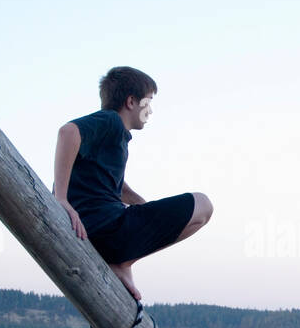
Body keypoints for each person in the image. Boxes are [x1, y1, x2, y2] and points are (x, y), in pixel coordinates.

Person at [52, 65, 213, 301]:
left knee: (185, 215)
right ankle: (124, 261)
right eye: (147, 103)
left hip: (100, 231)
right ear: (130, 102)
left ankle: (124, 261)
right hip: (107, 228)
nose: (150, 111)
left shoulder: (113, 137)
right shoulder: (111, 122)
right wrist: (61, 199)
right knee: (203, 205)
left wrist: (140, 203)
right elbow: (68, 132)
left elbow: (112, 183)